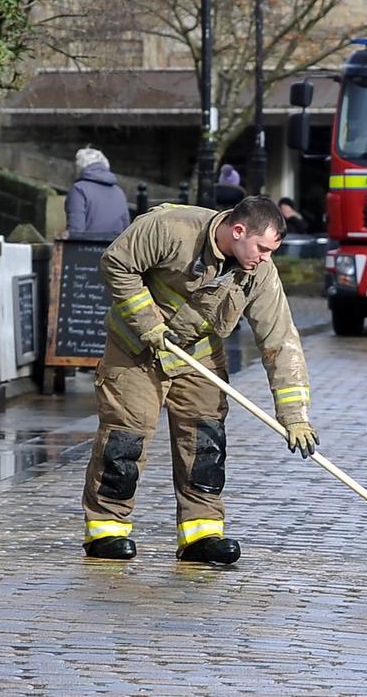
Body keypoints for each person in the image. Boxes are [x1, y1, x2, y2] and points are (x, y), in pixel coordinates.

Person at [80, 195, 318, 566]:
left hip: (198, 355)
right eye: (262, 248)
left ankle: (201, 532)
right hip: (136, 349)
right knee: (127, 436)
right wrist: (150, 326)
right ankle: (106, 529)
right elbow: (117, 263)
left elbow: (280, 339)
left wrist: (294, 415)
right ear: (238, 231)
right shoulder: (170, 229)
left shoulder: (258, 273)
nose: (266, 258)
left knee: (204, 440)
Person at [66, 147, 131, 238]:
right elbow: (126, 230)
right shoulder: (119, 192)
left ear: (78, 167)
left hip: (87, 250)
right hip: (115, 250)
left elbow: (75, 231)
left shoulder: (78, 190)